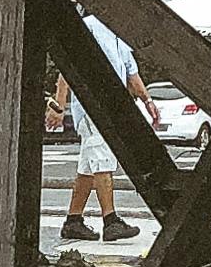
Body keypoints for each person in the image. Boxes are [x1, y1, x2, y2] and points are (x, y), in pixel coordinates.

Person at [54, 25, 152, 244]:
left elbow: (131, 73)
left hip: (109, 110)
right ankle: (110, 220)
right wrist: (59, 104)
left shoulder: (120, 36)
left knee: (88, 168)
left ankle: (73, 220)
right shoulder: (89, 27)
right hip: (92, 107)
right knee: (102, 161)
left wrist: (148, 101)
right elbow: (67, 65)